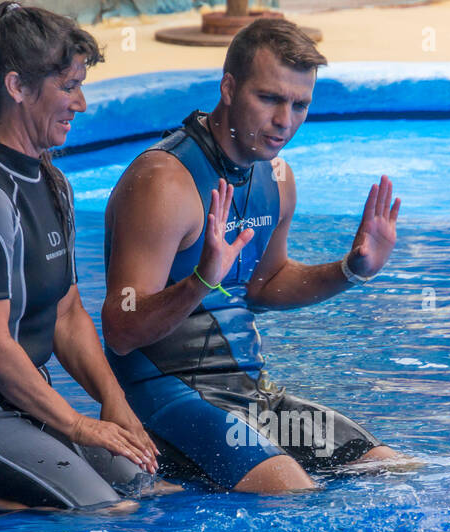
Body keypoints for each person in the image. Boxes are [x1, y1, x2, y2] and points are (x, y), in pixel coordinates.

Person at [102, 19, 405, 494]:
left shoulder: (277, 177)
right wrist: (202, 280)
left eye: (300, 104)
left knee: (391, 471)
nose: (286, 120)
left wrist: (352, 270)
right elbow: (120, 331)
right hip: (164, 395)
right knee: (294, 492)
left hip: (251, 394)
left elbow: (265, 284)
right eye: (269, 98)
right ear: (228, 88)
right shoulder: (165, 182)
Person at [0, 2, 164, 511]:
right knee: (108, 510)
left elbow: (67, 313)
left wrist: (113, 403)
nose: (82, 103)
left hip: (23, 406)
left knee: (146, 483)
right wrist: (78, 424)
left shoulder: (51, 181)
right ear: (18, 87)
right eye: (68, 87)